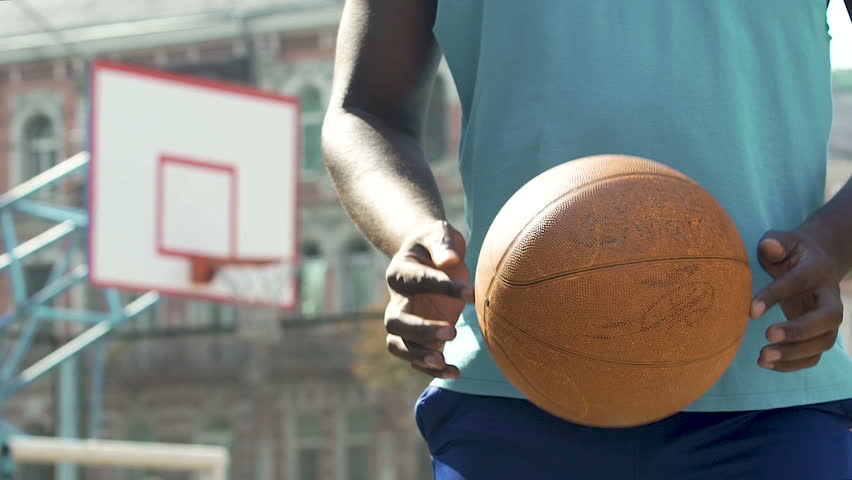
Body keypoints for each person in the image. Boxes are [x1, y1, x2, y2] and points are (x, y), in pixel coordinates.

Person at [323, 2, 852, 479]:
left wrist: (833, 240)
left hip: (772, 392)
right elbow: (364, 110)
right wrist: (413, 233)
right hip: (516, 390)